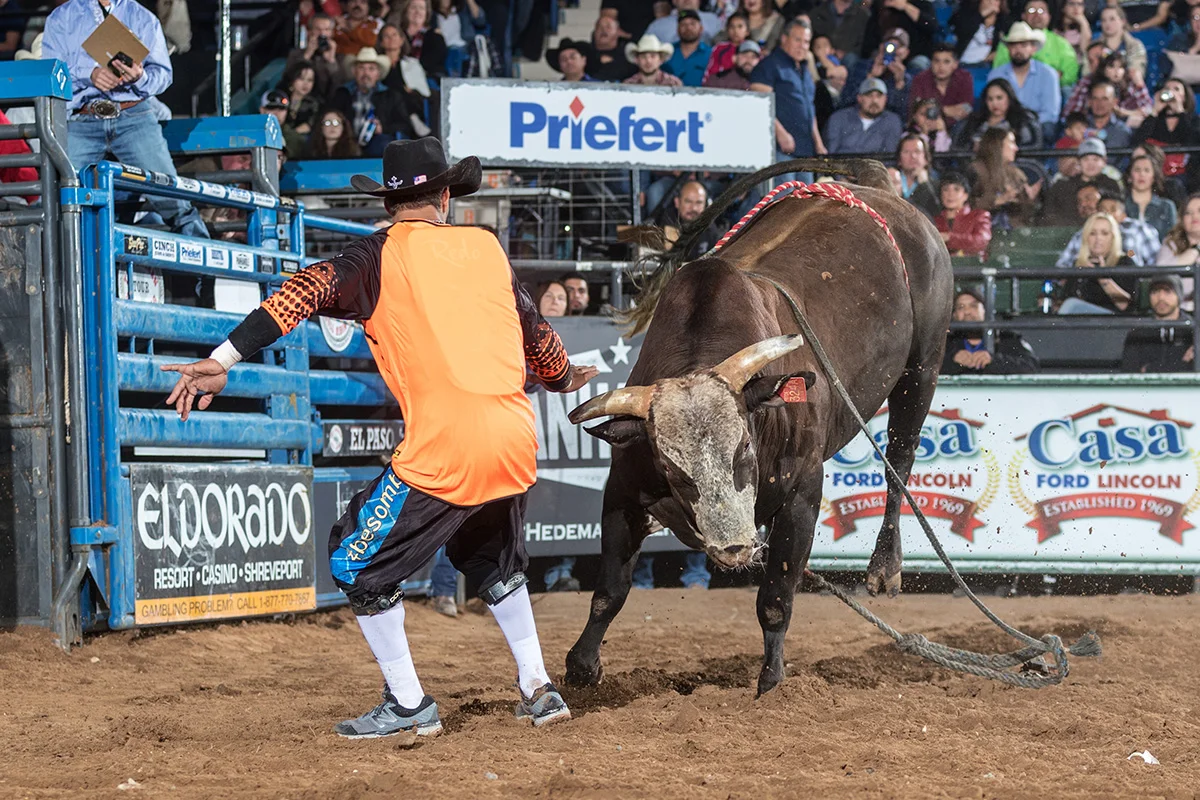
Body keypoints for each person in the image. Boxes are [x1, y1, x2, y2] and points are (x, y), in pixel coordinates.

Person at [160, 138, 599, 737]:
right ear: (446, 196)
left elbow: (303, 292)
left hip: (447, 447)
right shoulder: (488, 248)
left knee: (355, 561)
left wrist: (224, 357)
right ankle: (539, 689)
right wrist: (567, 376)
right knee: (491, 560)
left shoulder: (376, 255)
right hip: (514, 438)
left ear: (390, 201)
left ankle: (409, 703)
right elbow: (538, 336)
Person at [43, 0, 209, 242]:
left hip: (133, 116)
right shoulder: (62, 18)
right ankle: (55, 270)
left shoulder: (142, 17)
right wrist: (89, 74)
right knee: (61, 198)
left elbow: (163, 75)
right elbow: (49, 71)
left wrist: (140, 77)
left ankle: (200, 273)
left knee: (173, 198)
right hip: (82, 118)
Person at [751, 19, 827, 181]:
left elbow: (809, 108)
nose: (802, 46)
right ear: (784, 39)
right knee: (783, 201)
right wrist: (781, 133)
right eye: (797, 39)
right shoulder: (769, 65)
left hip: (805, 151)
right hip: (779, 149)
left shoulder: (805, 70)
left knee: (804, 204)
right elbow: (759, 103)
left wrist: (818, 142)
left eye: (806, 42)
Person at [986, 21, 1062, 138]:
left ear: (1033, 49)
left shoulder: (1048, 74)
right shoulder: (996, 74)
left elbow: (1050, 113)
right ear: (1008, 49)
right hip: (1004, 126)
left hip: (1037, 127)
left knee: (1047, 129)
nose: (1018, 50)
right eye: (1014, 45)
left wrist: (1024, 125)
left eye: (1023, 45)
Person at [941, 288, 1039, 374]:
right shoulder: (946, 341)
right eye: (960, 307)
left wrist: (993, 361)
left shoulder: (1006, 337)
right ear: (954, 315)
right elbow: (927, 370)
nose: (967, 312)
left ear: (985, 311)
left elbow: (1032, 366)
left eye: (973, 306)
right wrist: (952, 361)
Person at [1058, 211, 1136, 314]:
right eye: (1093, 233)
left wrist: (1102, 278)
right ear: (1086, 237)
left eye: (1104, 233)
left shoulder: (1124, 262)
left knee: (1071, 305)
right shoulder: (1079, 264)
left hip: (1113, 323)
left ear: (1113, 237)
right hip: (1081, 324)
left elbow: (1124, 306)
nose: (1098, 239)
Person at [991, 0, 1079, 87]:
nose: (1037, 14)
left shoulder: (1061, 43)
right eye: (1031, 10)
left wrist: (1048, 79)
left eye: (1041, 10)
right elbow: (999, 69)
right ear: (1023, 16)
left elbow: (1070, 73)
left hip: (1053, 87)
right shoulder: (1010, 40)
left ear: (1049, 16)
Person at [1057, 193, 1160, 265]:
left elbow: (1156, 262)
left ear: (1123, 215)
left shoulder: (1139, 229)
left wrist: (1130, 254)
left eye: (1113, 209)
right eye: (1102, 209)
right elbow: (1063, 265)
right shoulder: (1085, 232)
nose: (1107, 213)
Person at [1120, 274, 1195, 372]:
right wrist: (1183, 363)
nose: (1161, 298)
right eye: (1155, 292)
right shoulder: (1139, 332)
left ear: (1178, 295)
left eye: (1167, 291)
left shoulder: (1193, 329)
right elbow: (1130, 373)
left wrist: (1149, 369)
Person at [953, 77, 1042, 149]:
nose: (995, 103)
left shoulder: (1023, 120)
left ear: (1009, 98)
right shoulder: (975, 121)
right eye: (990, 99)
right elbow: (961, 147)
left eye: (999, 98)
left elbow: (1032, 147)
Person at [824, 77, 904, 154]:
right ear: (859, 98)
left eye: (879, 96)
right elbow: (831, 153)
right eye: (869, 95)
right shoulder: (839, 118)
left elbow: (890, 156)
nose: (874, 100)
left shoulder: (892, 121)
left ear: (885, 99)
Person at [907, 44, 974, 127]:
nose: (941, 67)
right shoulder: (920, 79)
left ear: (955, 64)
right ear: (931, 63)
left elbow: (967, 108)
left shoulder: (964, 77)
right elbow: (917, 111)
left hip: (954, 127)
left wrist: (935, 111)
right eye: (936, 61)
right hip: (927, 126)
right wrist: (945, 110)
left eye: (946, 62)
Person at [1154, 193, 1200, 310]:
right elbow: (1162, 275)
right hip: (1179, 311)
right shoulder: (1171, 243)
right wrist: (1195, 250)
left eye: (1199, 211)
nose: (1194, 216)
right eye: (1188, 213)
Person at [288, 13, 348, 99]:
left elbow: (339, 87)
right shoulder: (295, 54)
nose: (322, 34)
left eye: (326, 30)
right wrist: (307, 55)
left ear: (331, 33)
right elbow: (288, 80)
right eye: (318, 29)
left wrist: (331, 61)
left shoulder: (339, 57)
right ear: (309, 32)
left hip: (325, 103)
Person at [935, 172, 992, 256]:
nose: (950, 194)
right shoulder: (935, 220)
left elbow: (981, 241)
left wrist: (950, 238)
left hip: (972, 266)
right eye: (946, 189)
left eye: (956, 189)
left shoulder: (979, 215)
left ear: (965, 195)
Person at [1125, 153, 1178, 241]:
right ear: (1130, 177)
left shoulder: (1167, 206)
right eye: (1137, 170)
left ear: (1153, 177)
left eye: (1147, 170)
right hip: (1129, 253)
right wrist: (1131, 255)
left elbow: (1173, 239)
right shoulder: (1121, 205)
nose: (1142, 174)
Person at [663, 9, 713, 86]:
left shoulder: (712, 54)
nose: (688, 28)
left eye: (693, 24)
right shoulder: (666, 51)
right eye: (683, 24)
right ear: (677, 30)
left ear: (701, 28)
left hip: (702, 97)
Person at [590, 14, 636, 82]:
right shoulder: (586, 53)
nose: (603, 30)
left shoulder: (628, 53)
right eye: (599, 27)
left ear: (618, 32)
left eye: (608, 27)